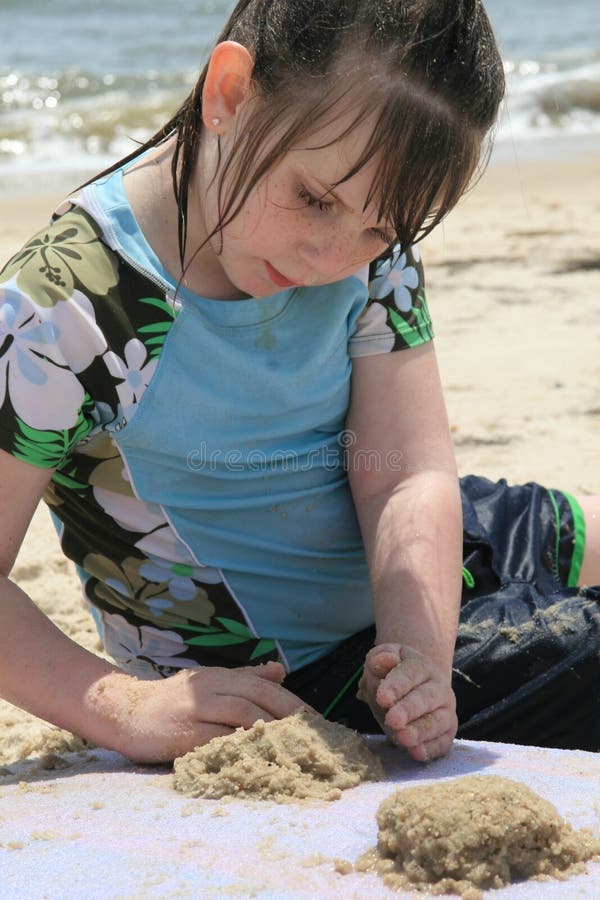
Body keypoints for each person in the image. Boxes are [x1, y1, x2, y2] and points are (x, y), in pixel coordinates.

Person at [0, 0, 598, 766]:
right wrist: (120, 707)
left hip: (403, 546)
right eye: (315, 200)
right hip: (290, 670)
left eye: (382, 231)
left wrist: (417, 648)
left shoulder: (369, 224)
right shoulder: (66, 307)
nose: (332, 259)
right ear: (229, 94)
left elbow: (409, 477)